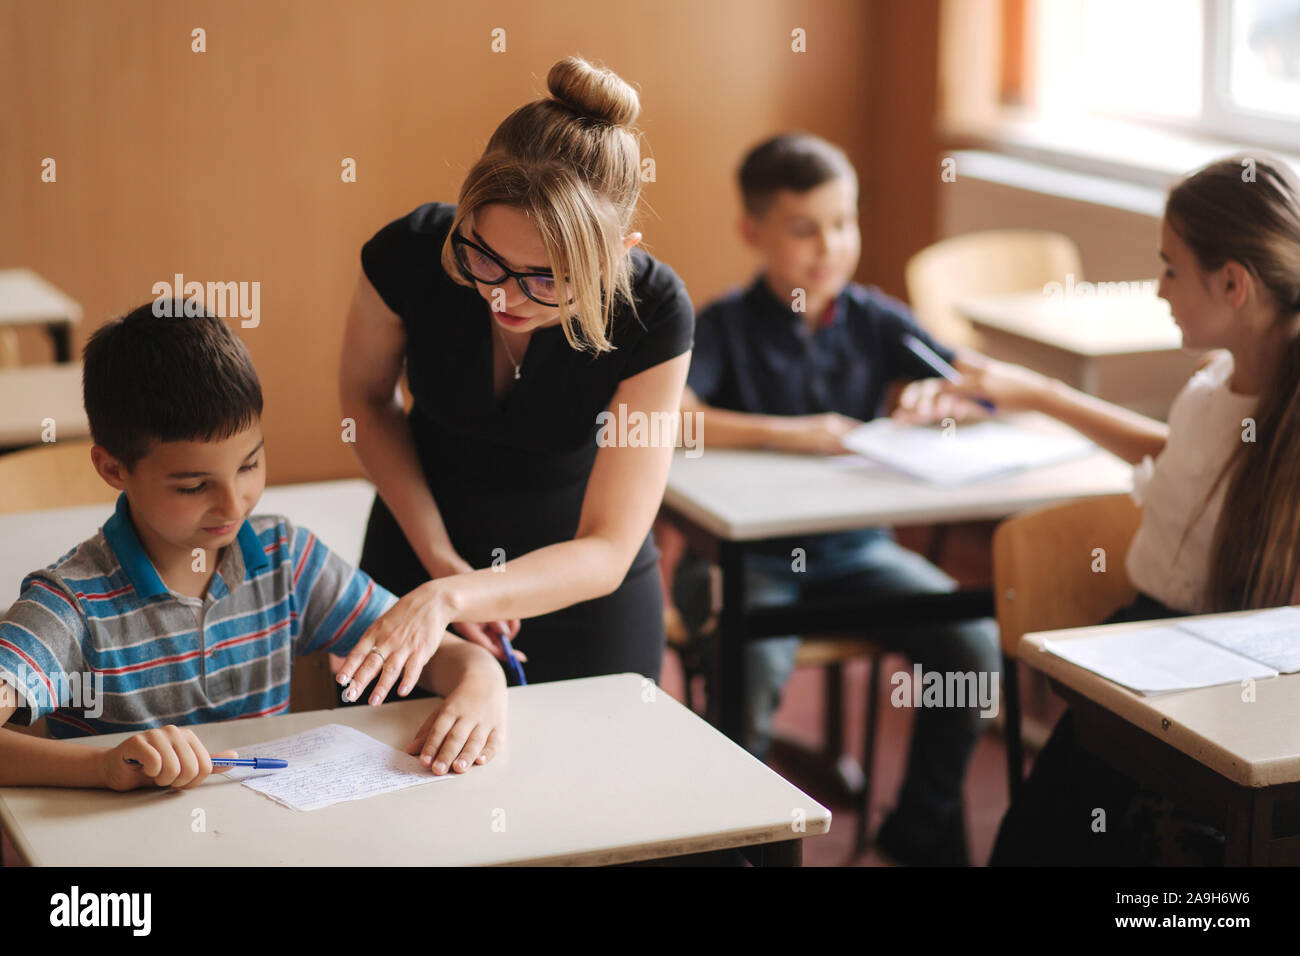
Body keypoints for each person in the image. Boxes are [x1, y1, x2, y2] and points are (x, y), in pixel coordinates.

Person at [905, 155, 1300, 865]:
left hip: (1190, 680)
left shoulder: (1258, 418)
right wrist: (1042, 396)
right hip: (1175, 666)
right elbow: (1187, 455)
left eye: (1171, 268)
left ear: (1234, 283)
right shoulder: (1222, 394)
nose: (1158, 289)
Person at [0, 302, 506, 790]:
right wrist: (101, 768)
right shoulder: (71, 603)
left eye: (248, 466)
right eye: (193, 486)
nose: (233, 505)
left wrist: (481, 686)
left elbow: (456, 659)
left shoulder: (287, 558)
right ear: (113, 469)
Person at [672, 131, 1000, 866]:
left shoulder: (874, 317)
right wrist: (794, 433)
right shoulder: (723, 324)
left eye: (844, 223)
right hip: (746, 564)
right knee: (747, 673)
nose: (830, 247)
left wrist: (937, 396)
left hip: (857, 557)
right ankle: (736, 848)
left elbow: (981, 386)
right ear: (752, 232)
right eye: (804, 229)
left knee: (973, 648)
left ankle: (914, 840)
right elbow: (675, 419)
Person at [334, 55, 694, 705]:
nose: (503, 296)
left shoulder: (654, 309)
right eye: (485, 257)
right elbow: (365, 401)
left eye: (547, 278)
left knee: (593, 793)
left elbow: (610, 545)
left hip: (577, 578)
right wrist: (440, 565)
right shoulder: (410, 255)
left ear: (619, 254)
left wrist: (455, 594)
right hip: (416, 542)